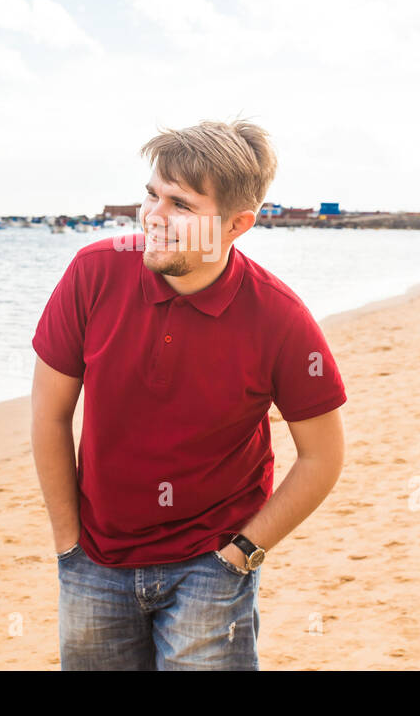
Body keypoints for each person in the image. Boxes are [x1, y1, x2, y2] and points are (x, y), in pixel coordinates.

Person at [31, 119, 347, 670]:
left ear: (236, 226)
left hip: (210, 566)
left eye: (181, 204)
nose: (153, 216)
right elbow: (49, 414)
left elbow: (323, 456)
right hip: (95, 561)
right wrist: (68, 547)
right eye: (151, 194)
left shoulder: (280, 318)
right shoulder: (92, 274)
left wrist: (242, 555)